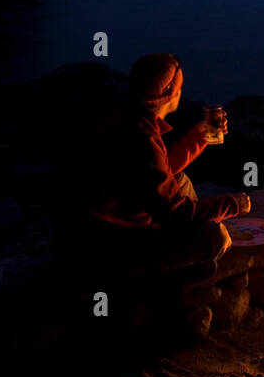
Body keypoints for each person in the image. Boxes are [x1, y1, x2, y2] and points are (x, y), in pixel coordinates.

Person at [82, 53, 250, 331]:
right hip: (112, 242)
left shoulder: (132, 117)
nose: (183, 91)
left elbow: (157, 173)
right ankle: (155, 285)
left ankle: (175, 270)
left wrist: (199, 138)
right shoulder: (141, 136)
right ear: (169, 93)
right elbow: (177, 213)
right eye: (180, 86)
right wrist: (233, 203)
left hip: (121, 218)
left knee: (179, 180)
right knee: (213, 237)